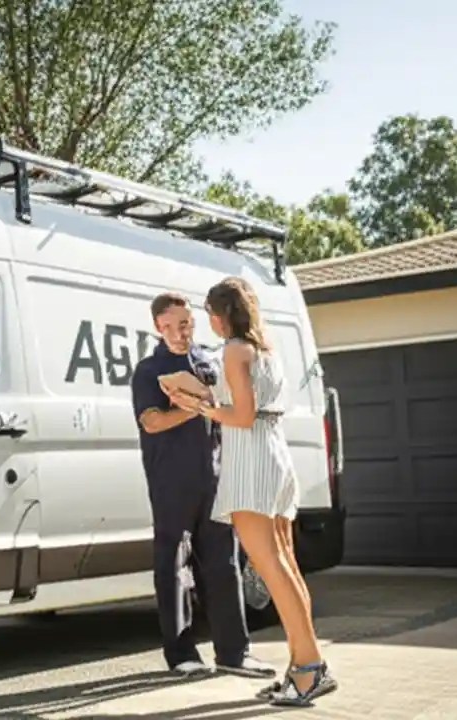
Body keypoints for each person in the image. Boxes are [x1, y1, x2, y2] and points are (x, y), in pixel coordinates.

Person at [172, 277, 337, 707]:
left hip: (251, 463)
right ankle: (306, 665)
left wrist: (201, 407)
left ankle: (309, 669)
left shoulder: (232, 350)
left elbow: (240, 415)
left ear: (220, 313)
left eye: (209, 311)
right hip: (274, 455)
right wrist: (206, 399)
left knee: (273, 570)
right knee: (286, 567)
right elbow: (250, 405)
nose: (207, 319)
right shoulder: (264, 350)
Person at [131, 292, 274, 680]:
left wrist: (208, 404)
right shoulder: (148, 371)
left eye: (186, 324)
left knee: (223, 565)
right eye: (171, 326)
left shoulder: (212, 361)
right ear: (157, 328)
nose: (180, 332)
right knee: (173, 568)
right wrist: (194, 408)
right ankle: (181, 655)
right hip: (170, 483)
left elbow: (235, 410)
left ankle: (234, 653)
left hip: (215, 478)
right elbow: (152, 422)